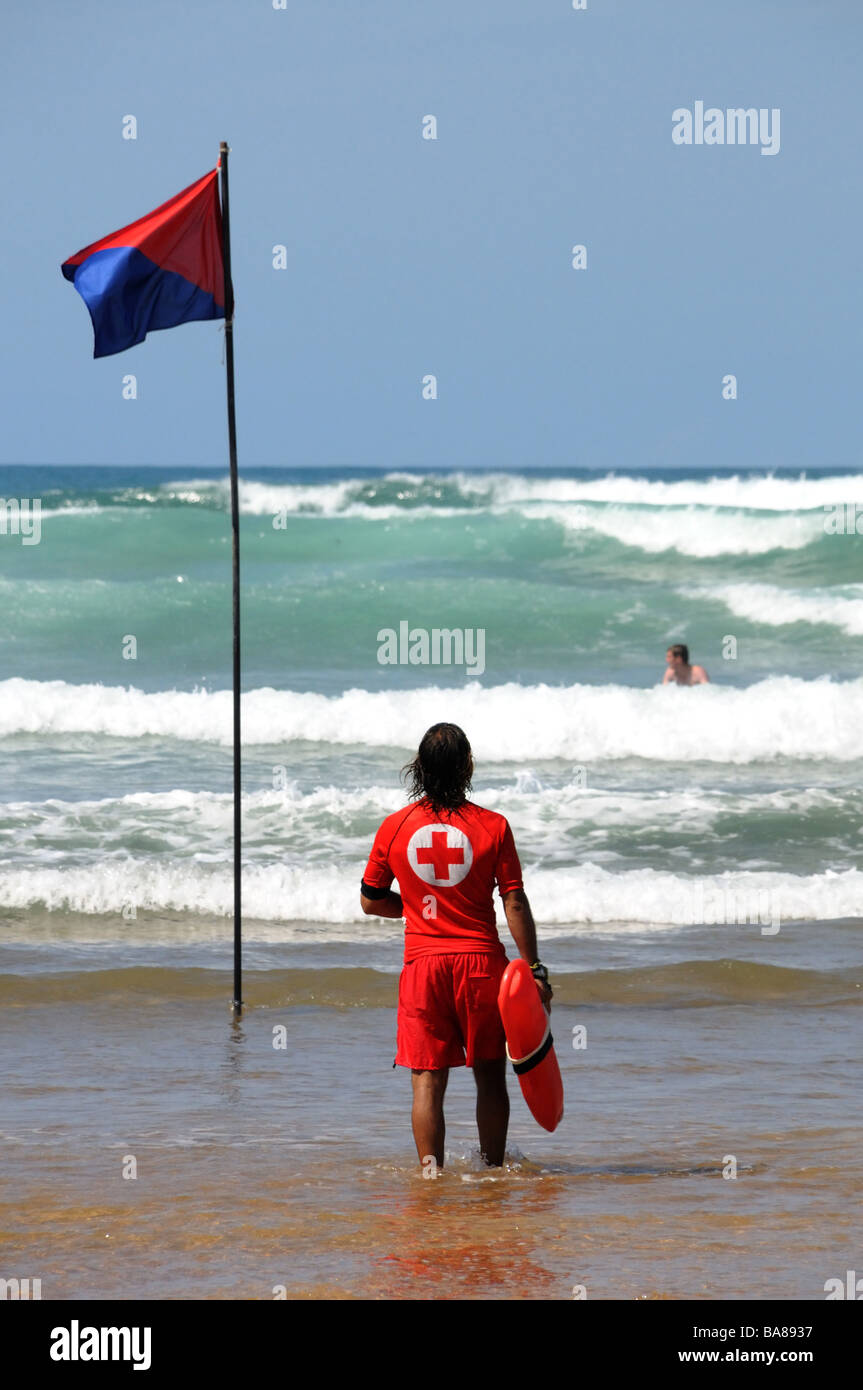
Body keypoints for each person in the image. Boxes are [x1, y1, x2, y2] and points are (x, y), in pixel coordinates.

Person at [360, 722, 551, 1171]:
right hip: (483, 968)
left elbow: (370, 901)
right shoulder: (494, 825)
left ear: (419, 768)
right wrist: (534, 968)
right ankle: (491, 1171)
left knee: (427, 1081)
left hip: (424, 969)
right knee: (489, 1076)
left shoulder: (394, 827)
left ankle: (429, 1175)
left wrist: (414, 908)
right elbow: (514, 901)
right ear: (468, 765)